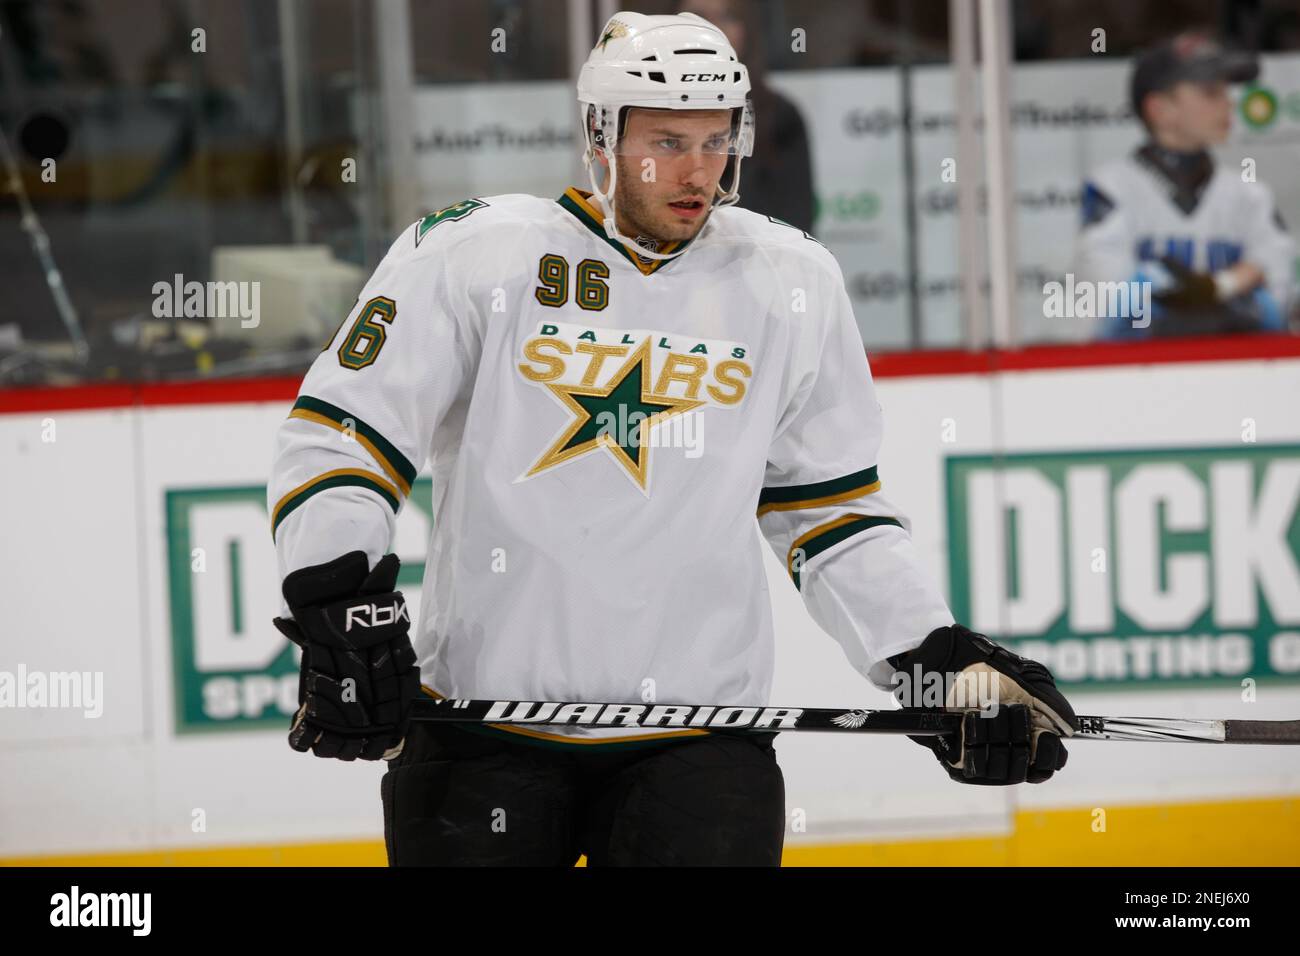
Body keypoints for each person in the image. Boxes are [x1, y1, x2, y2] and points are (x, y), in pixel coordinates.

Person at [267, 11, 1077, 867]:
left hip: (702, 741)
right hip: (480, 734)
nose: (697, 172)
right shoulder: (477, 254)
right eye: (666, 140)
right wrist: (337, 596)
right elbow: (342, 438)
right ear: (600, 133)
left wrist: (932, 662)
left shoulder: (790, 281)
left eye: (717, 141)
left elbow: (829, 515)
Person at [1075, 32, 1296, 339]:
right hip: (1137, 379)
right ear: (1160, 110)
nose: (1228, 103)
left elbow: (1275, 308)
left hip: (1238, 377)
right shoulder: (1111, 187)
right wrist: (1236, 284)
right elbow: (1117, 305)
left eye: (1226, 90)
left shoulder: (1250, 194)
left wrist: (1204, 291)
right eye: (1210, 91)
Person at [677, 0, 816, 235]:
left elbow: (794, 221)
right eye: (697, 16)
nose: (713, 28)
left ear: (746, 30)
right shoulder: (643, 110)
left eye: (727, 16)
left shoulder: (780, 115)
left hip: (753, 261)